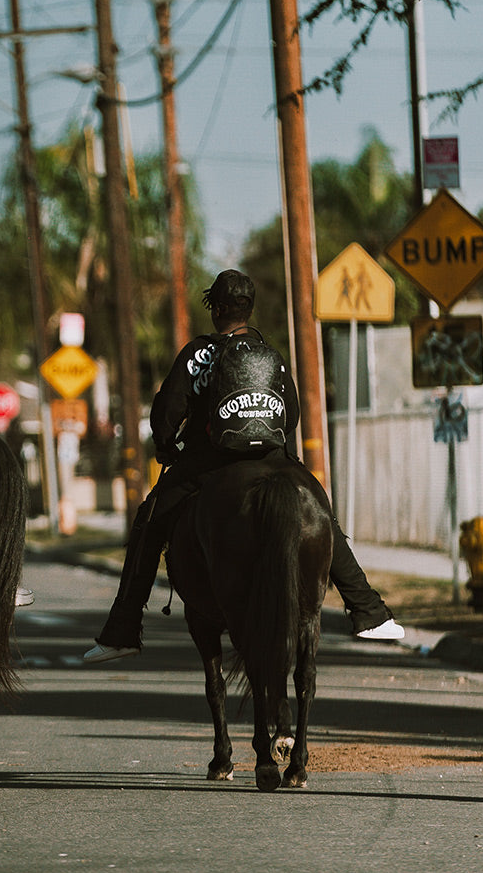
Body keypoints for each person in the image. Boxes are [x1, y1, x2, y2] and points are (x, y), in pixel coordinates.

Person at [83, 269, 403, 663]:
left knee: (149, 522)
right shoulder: (269, 353)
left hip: (206, 464)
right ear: (248, 310)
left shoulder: (197, 354)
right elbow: (290, 414)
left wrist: (166, 448)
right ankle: (369, 611)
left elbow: (167, 413)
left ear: (216, 309)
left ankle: (123, 630)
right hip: (272, 456)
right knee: (322, 517)